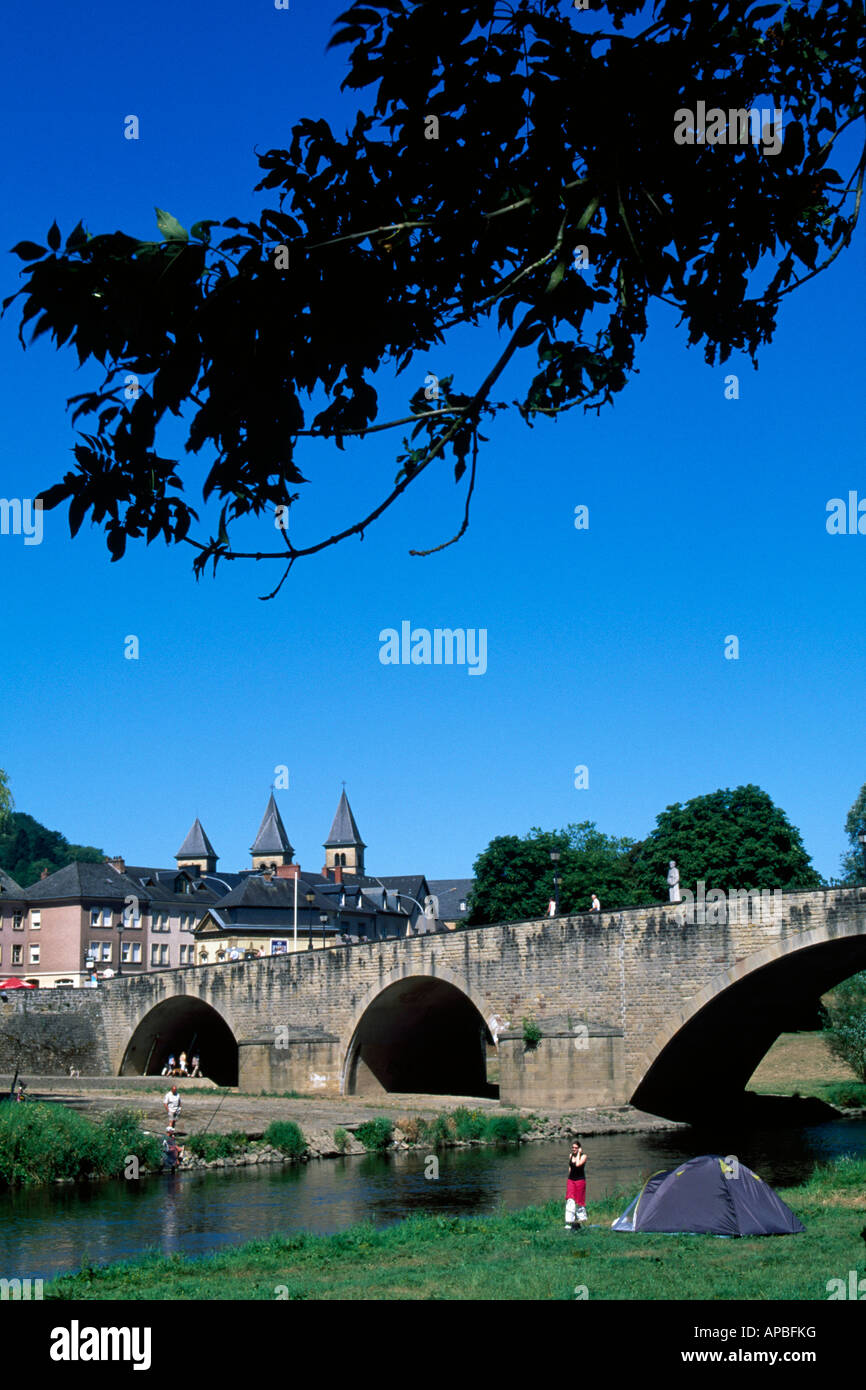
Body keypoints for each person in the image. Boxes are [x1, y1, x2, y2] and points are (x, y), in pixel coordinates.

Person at [565, 1139, 588, 1230]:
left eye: (576, 1148)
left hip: (580, 1180)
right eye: (573, 1148)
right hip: (571, 1180)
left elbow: (578, 1164)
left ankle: (581, 1219)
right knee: (570, 1199)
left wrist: (579, 1154)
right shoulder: (570, 1156)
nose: (574, 1149)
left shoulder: (583, 1156)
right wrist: (569, 1177)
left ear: (579, 1149)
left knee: (579, 1200)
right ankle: (569, 1221)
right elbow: (570, 1167)